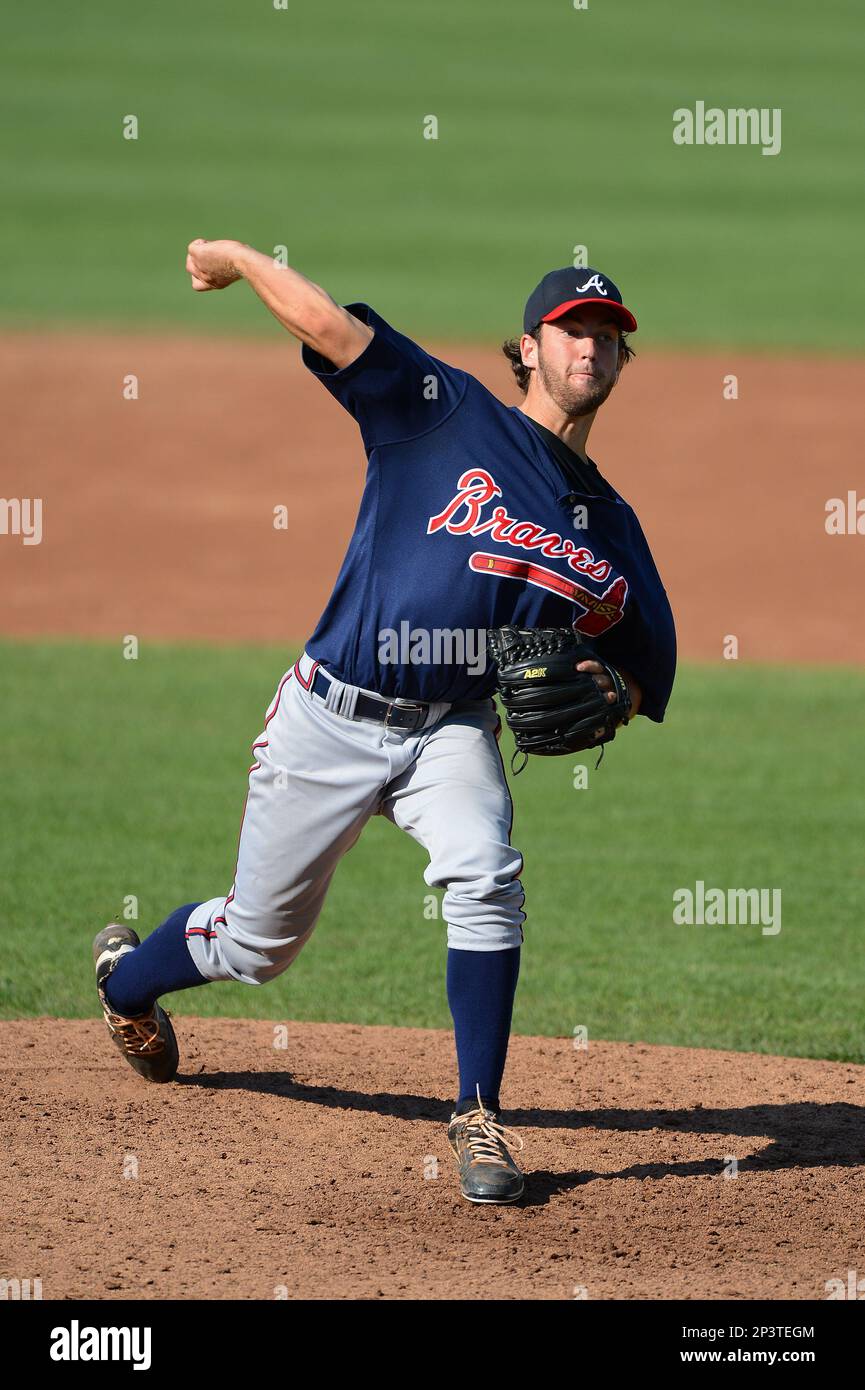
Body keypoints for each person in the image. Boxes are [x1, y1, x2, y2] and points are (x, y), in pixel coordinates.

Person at [92, 246, 676, 1204]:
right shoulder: (441, 408)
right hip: (329, 714)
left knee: (486, 873)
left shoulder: (608, 526)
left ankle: (478, 1115)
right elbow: (327, 325)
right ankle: (126, 981)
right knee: (257, 946)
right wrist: (241, 259)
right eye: (573, 329)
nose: (592, 347)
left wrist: (614, 695)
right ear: (527, 349)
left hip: (449, 731)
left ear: (620, 365)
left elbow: (651, 661)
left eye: (609, 338)